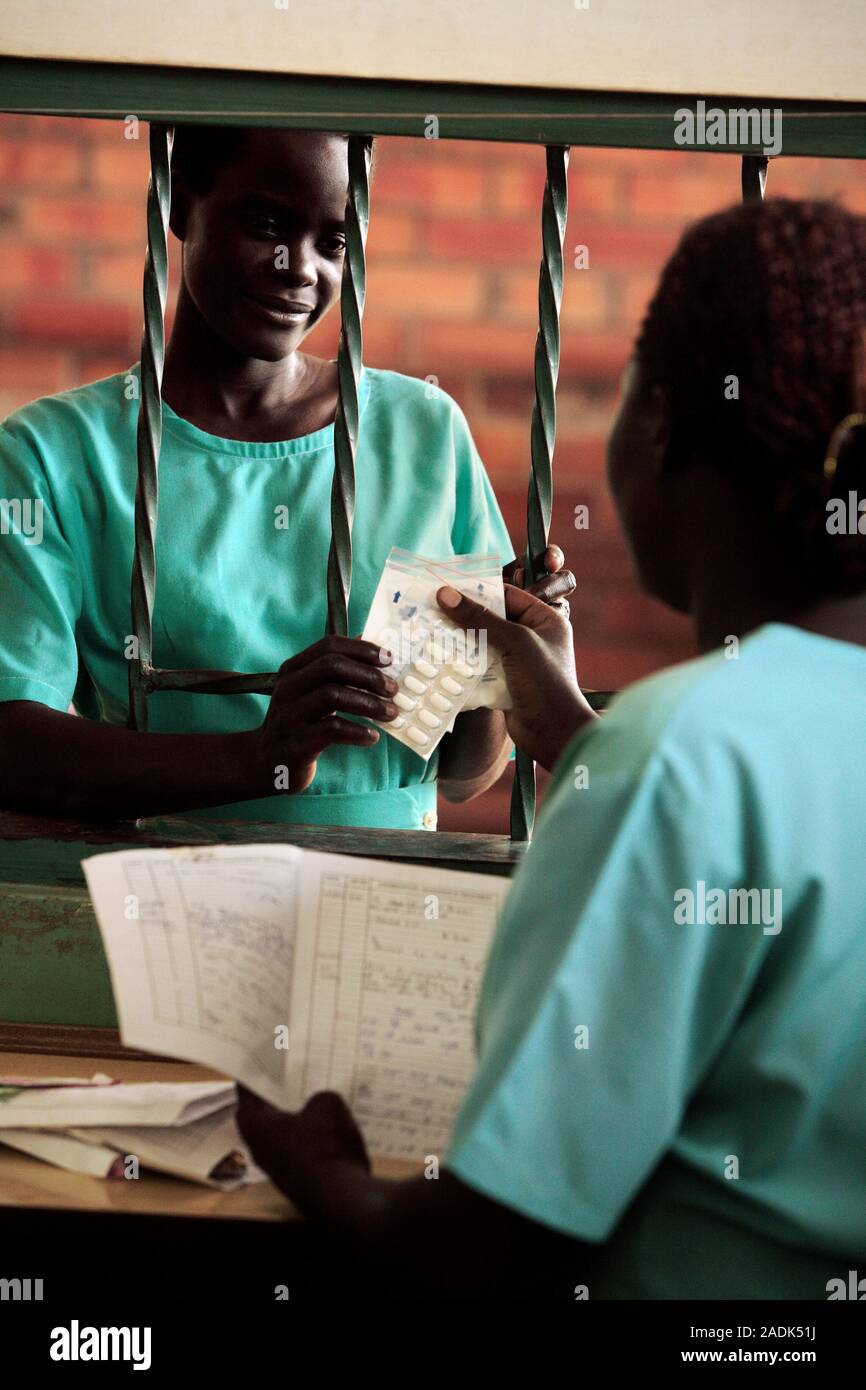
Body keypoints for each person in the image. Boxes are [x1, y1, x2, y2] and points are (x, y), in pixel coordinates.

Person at [237, 198, 866, 1300]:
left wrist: (321, 1169)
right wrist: (579, 732)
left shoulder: (673, 756)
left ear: (659, 430)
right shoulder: (683, 753)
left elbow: (479, 1252)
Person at [0, 126, 572, 829]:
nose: (299, 267)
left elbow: (463, 776)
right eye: (266, 223)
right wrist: (260, 757)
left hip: (397, 894)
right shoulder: (55, 454)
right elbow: (14, 744)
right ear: (181, 205)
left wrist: (499, 652)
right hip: (161, 887)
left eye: (333, 242)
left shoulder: (422, 430)